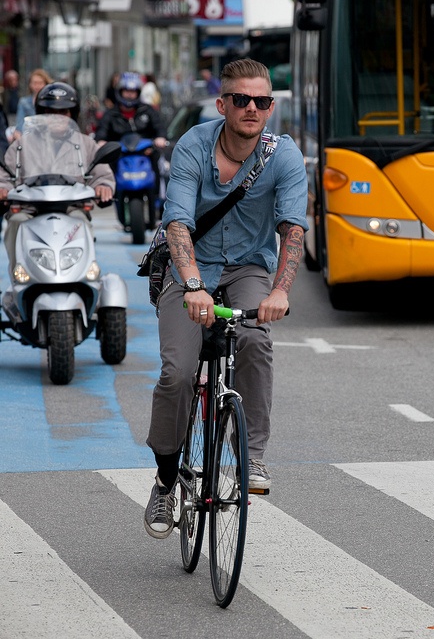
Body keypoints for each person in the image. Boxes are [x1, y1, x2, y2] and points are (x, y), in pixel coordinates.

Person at [143, 59, 308, 539]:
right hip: (190, 267)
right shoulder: (194, 143)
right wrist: (192, 284)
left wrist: (280, 290)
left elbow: (292, 228)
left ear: (270, 108)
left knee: (256, 340)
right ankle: (166, 478)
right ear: (223, 104)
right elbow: (178, 222)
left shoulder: (284, 156)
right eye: (241, 99)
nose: (252, 108)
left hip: (249, 269)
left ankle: (252, 458)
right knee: (176, 373)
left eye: (262, 101)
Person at [0, 82, 115, 277]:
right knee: (16, 221)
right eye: (51, 112)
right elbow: (5, 175)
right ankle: (20, 279)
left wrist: (103, 186)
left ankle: (84, 276)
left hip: (72, 210)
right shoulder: (20, 146)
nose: (57, 118)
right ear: (41, 114)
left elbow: (101, 172)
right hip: (30, 211)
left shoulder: (85, 144)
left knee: (82, 221)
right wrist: (3, 187)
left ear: (73, 114)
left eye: (64, 113)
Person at [95, 71, 167, 224]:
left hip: (146, 153)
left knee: (161, 170)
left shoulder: (147, 111)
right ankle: (113, 197)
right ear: (120, 91)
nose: (129, 95)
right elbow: (101, 132)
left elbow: (159, 127)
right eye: (126, 91)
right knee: (107, 170)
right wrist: (101, 141)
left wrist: (160, 138)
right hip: (120, 155)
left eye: (133, 92)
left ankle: (160, 201)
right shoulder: (111, 114)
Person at [14, 69, 53, 140]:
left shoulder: (51, 102)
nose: (37, 86)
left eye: (40, 83)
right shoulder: (23, 102)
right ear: (30, 84)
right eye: (35, 83)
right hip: (28, 140)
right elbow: (19, 126)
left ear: (46, 84)